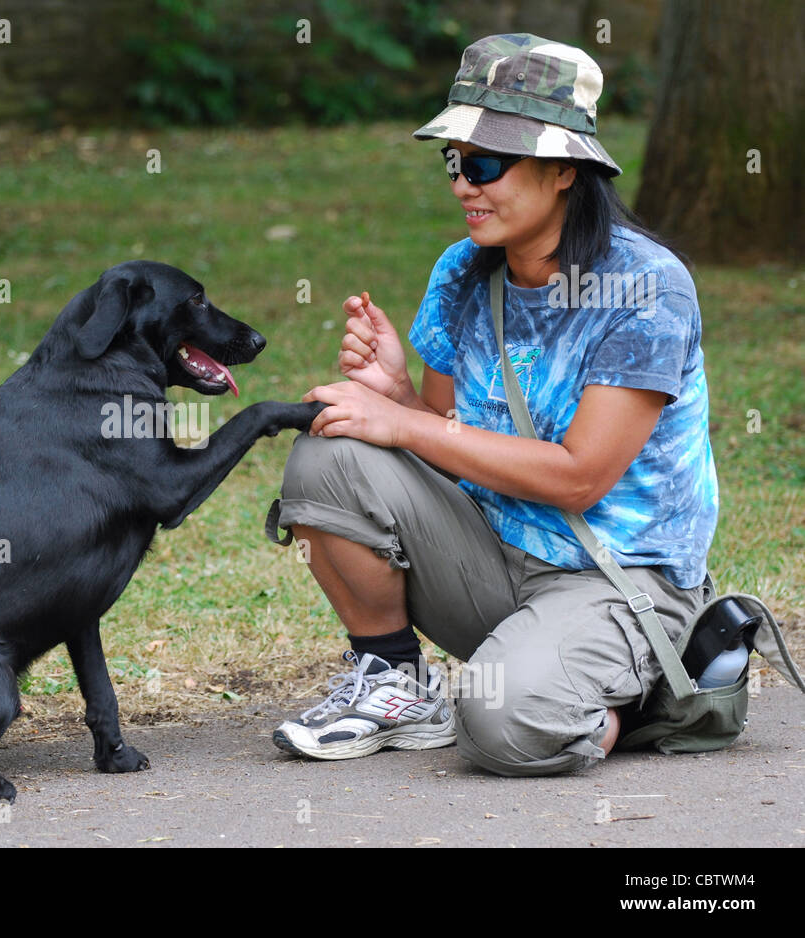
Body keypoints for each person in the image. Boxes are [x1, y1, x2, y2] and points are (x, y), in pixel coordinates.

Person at [266, 33, 719, 776]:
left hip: (617, 580)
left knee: (504, 724)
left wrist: (405, 421)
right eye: (454, 164)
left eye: (484, 165)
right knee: (331, 445)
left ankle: (637, 695)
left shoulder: (646, 290)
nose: (462, 187)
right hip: (491, 557)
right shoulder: (462, 274)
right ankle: (397, 683)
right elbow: (449, 444)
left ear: (565, 168)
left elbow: (581, 478)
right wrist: (400, 397)